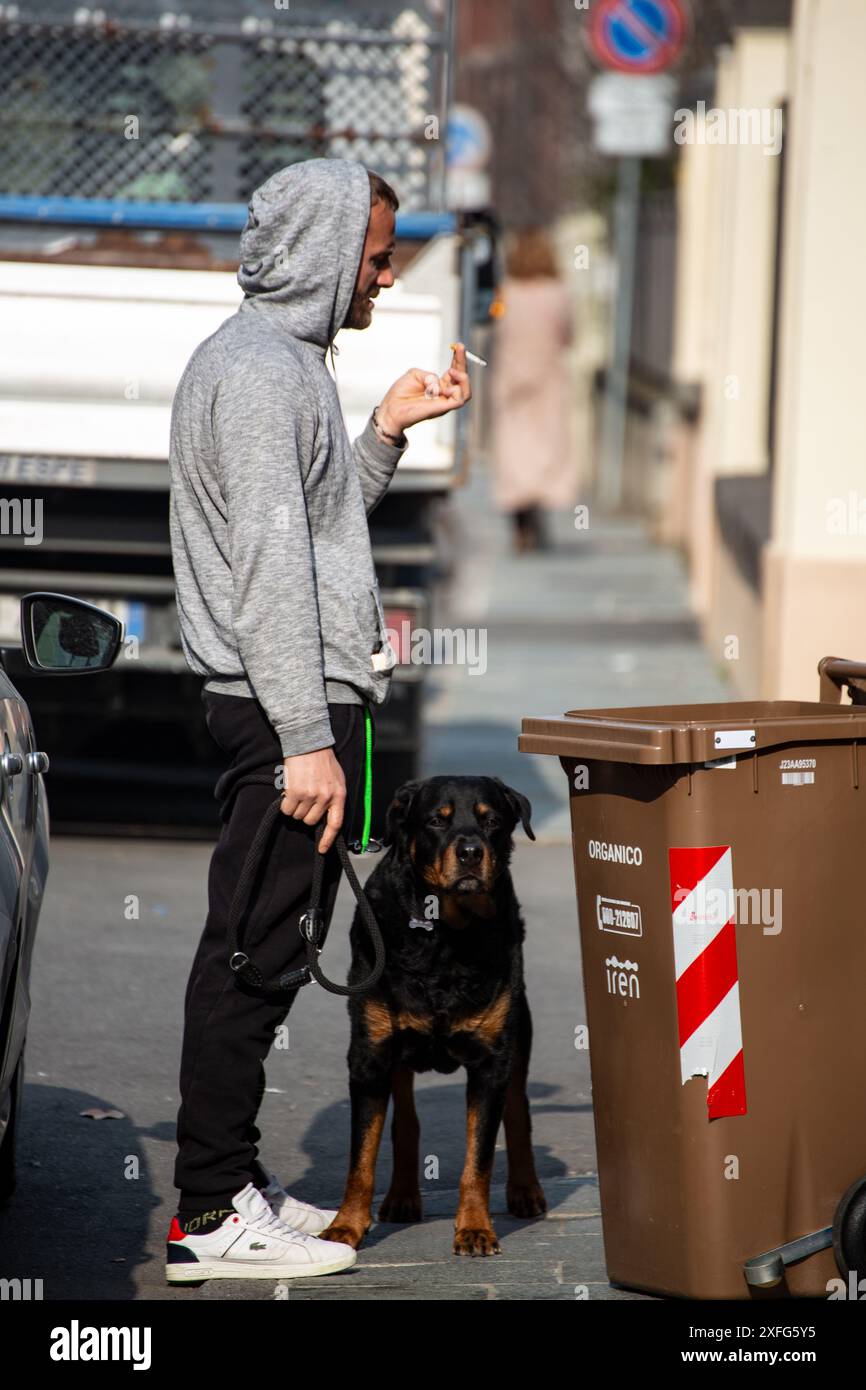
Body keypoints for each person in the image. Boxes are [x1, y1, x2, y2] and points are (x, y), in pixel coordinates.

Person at [165, 158, 471, 1284]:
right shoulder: (257, 375)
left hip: (296, 705)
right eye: (377, 255)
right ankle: (206, 1212)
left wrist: (382, 432)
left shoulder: (286, 367)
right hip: (273, 712)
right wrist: (302, 736)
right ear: (326, 247)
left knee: (275, 950)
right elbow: (265, 578)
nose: (385, 278)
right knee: (247, 955)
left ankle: (232, 1183)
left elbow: (316, 535)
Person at [489, 226, 575, 553]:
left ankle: (520, 523)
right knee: (544, 450)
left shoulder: (505, 293)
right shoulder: (559, 293)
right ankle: (537, 512)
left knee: (515, 451)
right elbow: (569, 335)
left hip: (512, 382)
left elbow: (496, 329)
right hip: (548, 381)